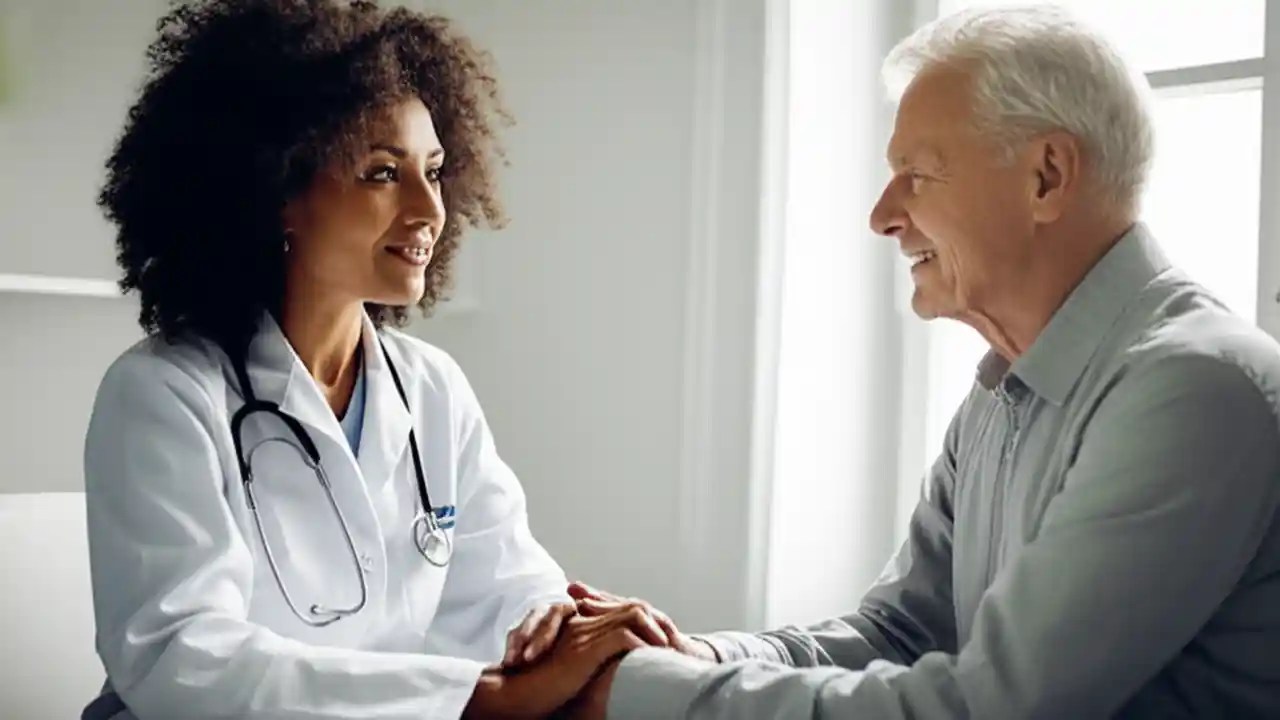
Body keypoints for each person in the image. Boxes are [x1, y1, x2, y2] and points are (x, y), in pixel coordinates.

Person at [565, 6, 1280, 719]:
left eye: (916, 173)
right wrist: (690, 657)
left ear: (1047, 176)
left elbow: (994, 707)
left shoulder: (1195, 389)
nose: (882, 214)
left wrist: (626, 694)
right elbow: (898, 634)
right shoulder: (1002, 396)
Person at [79, 2, 669, 718]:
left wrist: (565, 628)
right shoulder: (164, 393)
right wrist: (480, 700)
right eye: (383, 174)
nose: (430, 210)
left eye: (436, 170)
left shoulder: (430, 388)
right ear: (277, 195)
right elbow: (185, 660)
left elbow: (508, 581)